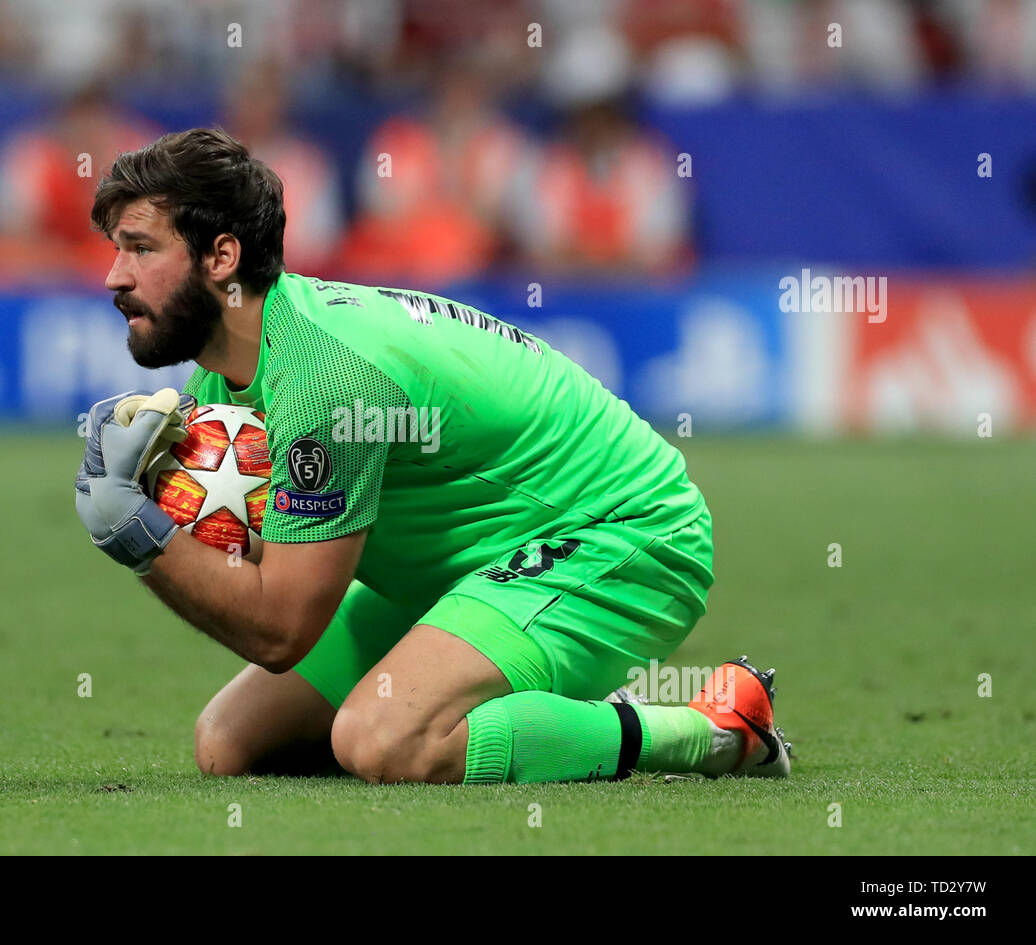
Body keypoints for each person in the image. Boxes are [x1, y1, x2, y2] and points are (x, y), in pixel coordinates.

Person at [73, 128, 791, 785]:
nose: (114, 275)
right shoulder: (225, 373)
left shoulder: (328, 379)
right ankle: (527, 693)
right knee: (229, 745)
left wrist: (138, 533)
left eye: (140, 247)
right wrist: (174, 492)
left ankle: (713, 730)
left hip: (623, 535)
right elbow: (269, 562)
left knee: (384, 740)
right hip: (464, 563)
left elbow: (282, 627)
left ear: (222, 257)